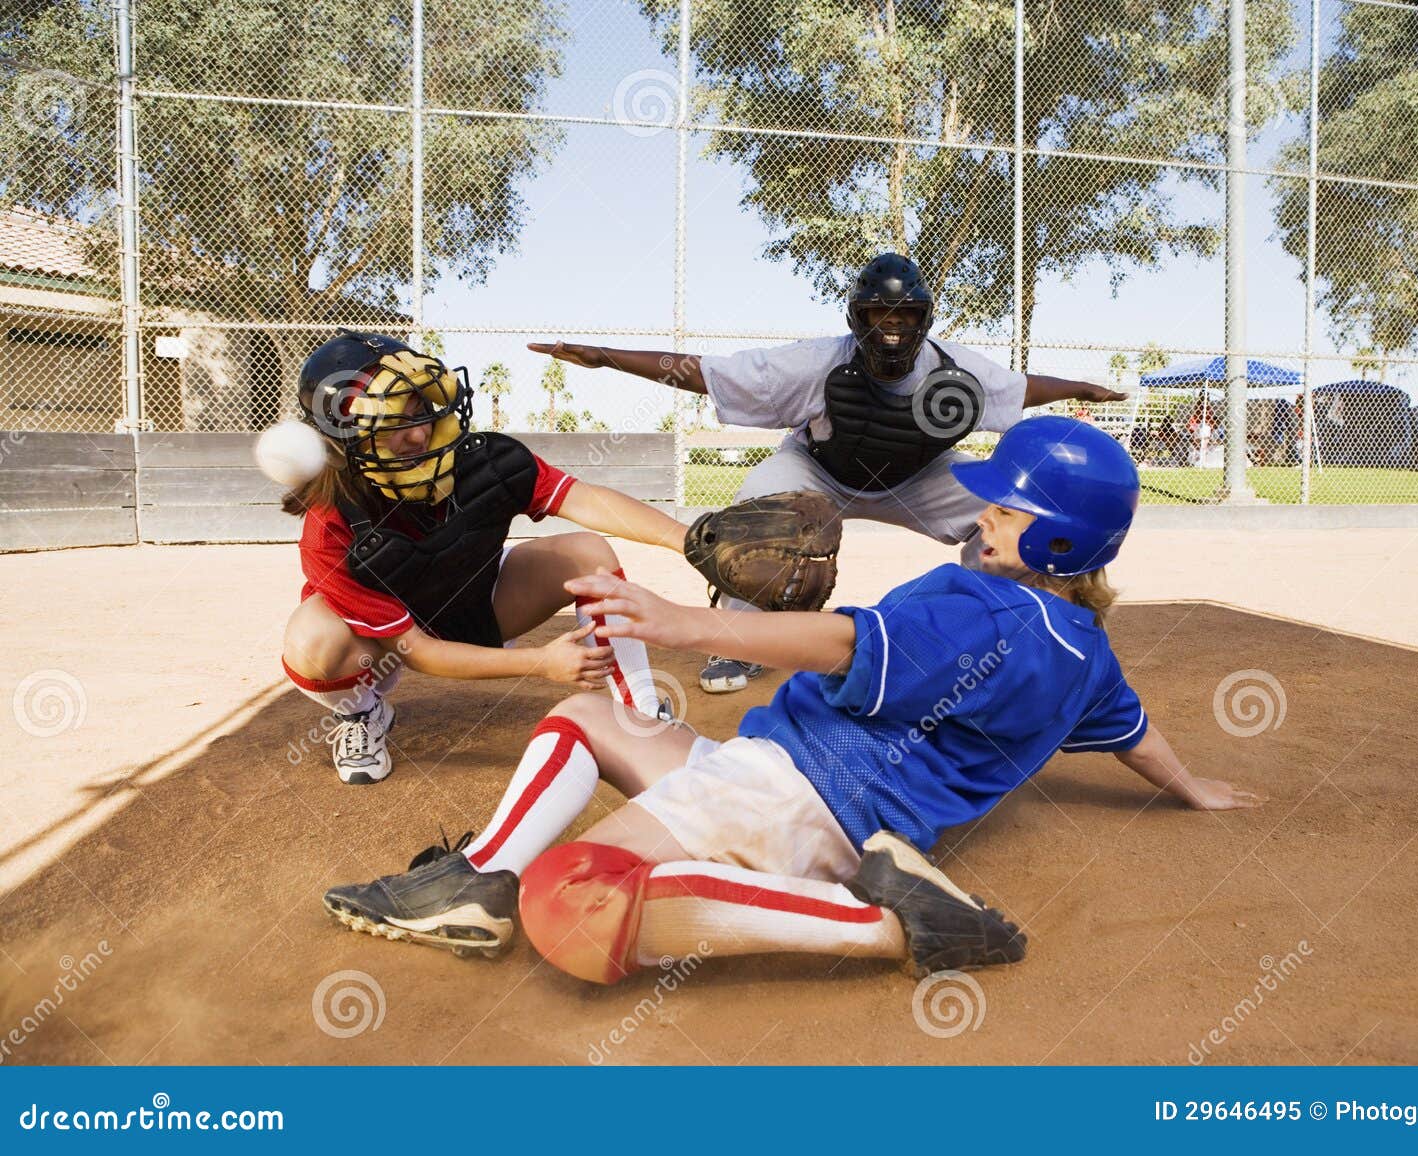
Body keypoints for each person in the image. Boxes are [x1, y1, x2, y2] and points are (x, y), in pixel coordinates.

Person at [321, 415, 1264, 982]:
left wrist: (681, 624)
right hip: (776, 779)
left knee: (571, 903)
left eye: (1008, 512)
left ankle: (886, 924)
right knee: (585, 717)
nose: (984, 514)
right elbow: (1130, 729)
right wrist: (1191, 786)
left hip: (803, 802)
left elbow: (848, 641)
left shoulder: (988, 611)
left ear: (1059, 545)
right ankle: (476, 884)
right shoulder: (1085, 650)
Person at [529, 253, 1126, 695]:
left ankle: (996, 629)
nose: (892, 326)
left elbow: (1017, 390)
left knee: (998, 514)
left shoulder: (953, 367)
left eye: (906, 314)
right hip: (820, 470)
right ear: (856, 315)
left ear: (924, 318)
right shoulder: (818, 361)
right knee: (757, 509)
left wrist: (1075, 387)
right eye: (879, 312)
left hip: (918, 477)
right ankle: (739, 641)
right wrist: (607, 357)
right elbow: (706, 373)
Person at [281, 331, 688, 785]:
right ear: (342, 442)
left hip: (477, 603)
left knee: (588, 553)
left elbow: (585, 498)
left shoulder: (483, 461)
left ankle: (642, 711)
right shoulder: (330, 528)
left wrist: (687, 539)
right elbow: (419, 653)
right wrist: (539, 662)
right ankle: (361, 714)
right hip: (386, 650)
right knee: (312, 637)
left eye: (422, 412)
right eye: (395, 422)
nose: (419, 434)